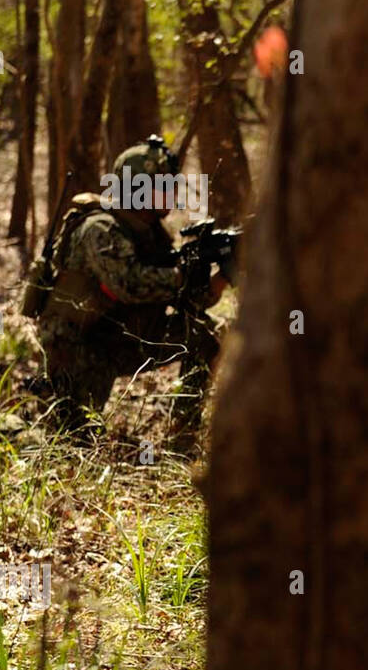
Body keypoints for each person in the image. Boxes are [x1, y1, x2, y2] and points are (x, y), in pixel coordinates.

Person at [30, 137, 228, 450]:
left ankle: (181, 442)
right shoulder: (101, 228)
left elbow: (188, 299)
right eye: (163, 185)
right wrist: (182, 275)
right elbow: (130, 285)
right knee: (69, 445)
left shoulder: (147, 233)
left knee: (204, 333)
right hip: (77, 352)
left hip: (113, 342)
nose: (172, 193)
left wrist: (223, 274)